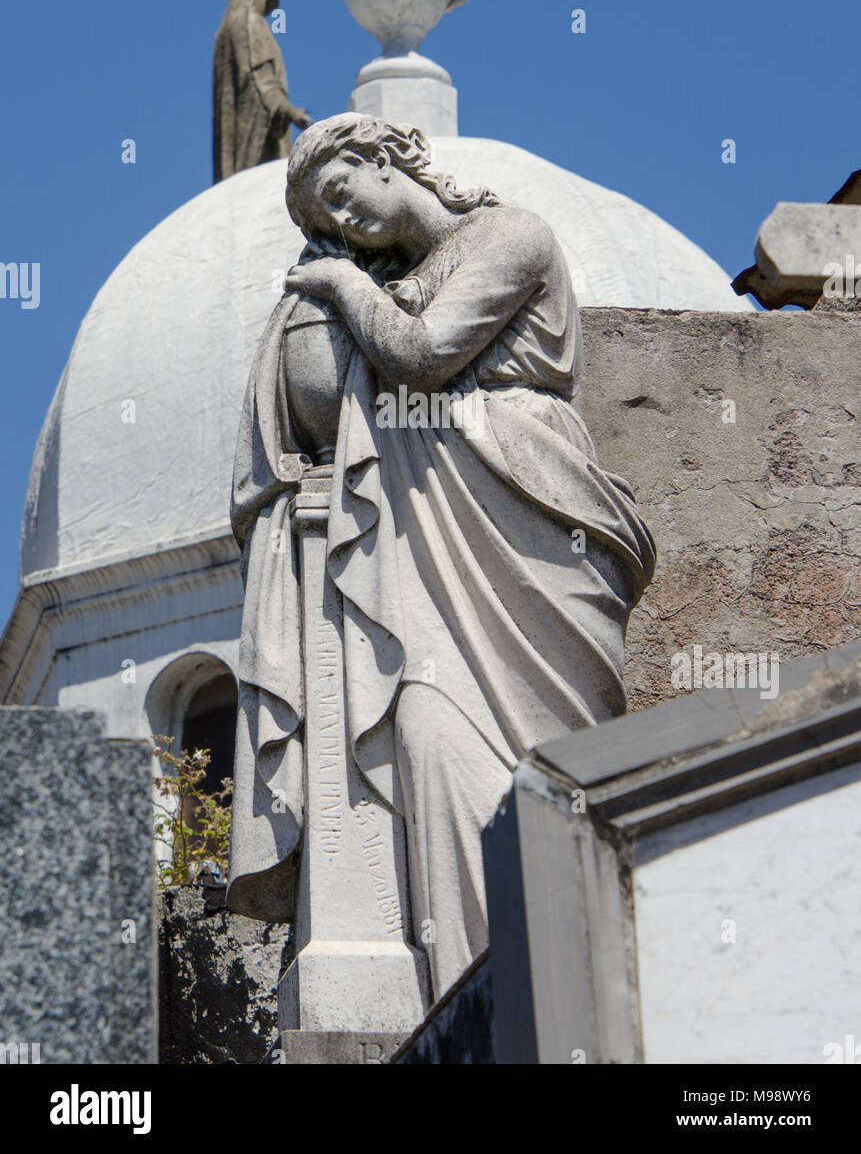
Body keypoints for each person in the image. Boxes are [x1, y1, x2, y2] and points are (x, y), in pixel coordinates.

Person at [228, 113, 656, 1000]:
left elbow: (422, 357)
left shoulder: (511, 236)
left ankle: (567, 998)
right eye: (328, 222)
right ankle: (477, 1000)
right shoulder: (393, 279)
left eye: (341, 196)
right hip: (423, 533)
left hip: (528, 507)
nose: (344, 227)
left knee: (551, 766)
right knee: (422, 733)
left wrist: (339, 284)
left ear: (383, 157)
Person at [212, 0, 311, 183]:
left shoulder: (228, 27)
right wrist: (288, 110)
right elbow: (259, 80)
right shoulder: (248, 23)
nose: (276, 5)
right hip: (255, 141)